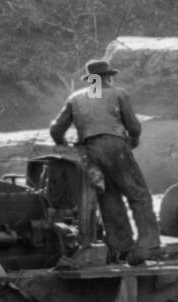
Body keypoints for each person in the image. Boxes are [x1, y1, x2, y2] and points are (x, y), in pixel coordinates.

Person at [49, 59, 162, 266]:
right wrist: (133, 141)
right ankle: (148, 246)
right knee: (138, 195)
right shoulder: (118, 94)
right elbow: (134, 127)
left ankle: (122, 249)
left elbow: (56, 130)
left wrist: (66, 147)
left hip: (89, 152)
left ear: (90, 79)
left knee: (109, 198)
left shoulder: (75, 98)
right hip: (115, 147)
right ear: (109, 76)